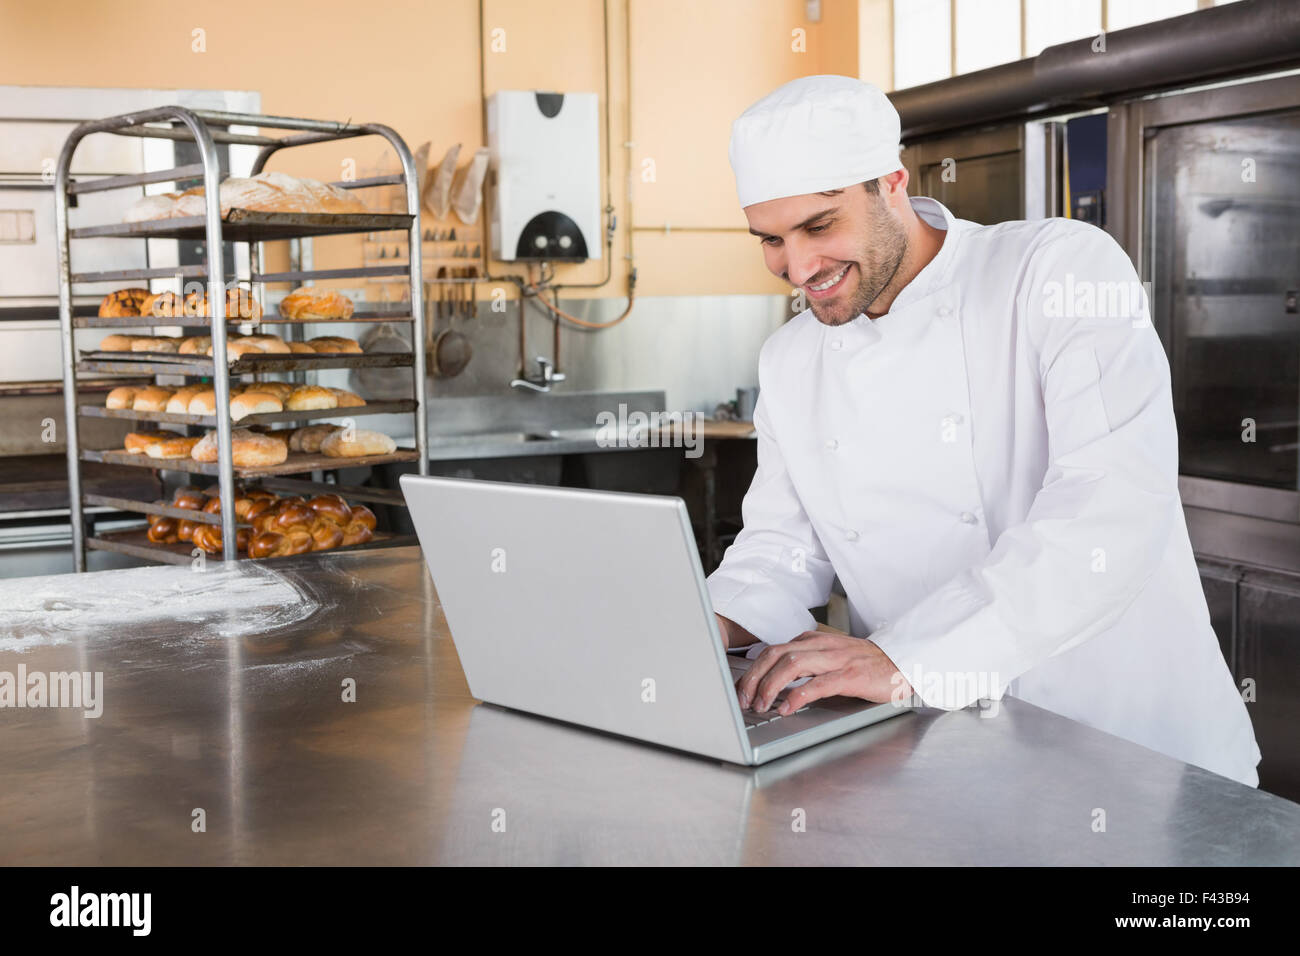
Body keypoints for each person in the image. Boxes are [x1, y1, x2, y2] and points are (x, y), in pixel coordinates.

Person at [709, 74, 1261, 787]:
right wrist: (706, 626)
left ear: (892, 184)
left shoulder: (1056, 270)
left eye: (819, 225)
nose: (799, 266)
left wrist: (908, 657)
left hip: (1138, 747)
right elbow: (783, 547)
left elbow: (1111, 509)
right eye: (770, 239)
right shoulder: (790, 358)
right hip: (952, 754)